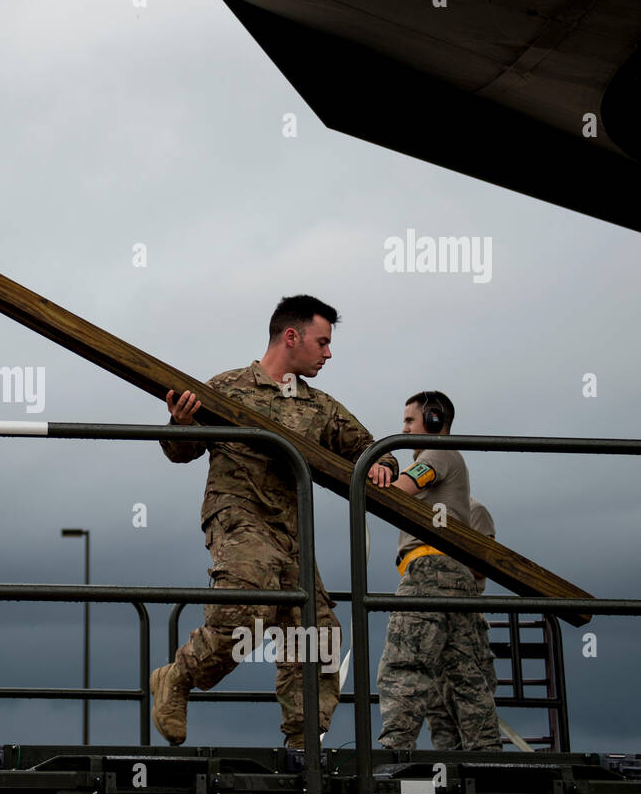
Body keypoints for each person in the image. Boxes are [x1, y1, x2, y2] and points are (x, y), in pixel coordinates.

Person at [151, 295, 399, 748]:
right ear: (291, 336)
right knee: (247, 607)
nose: (328, 353)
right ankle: (179, 677)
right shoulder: (225, 389)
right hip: (239, 517)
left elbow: (368, 448)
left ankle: (304, 742)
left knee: (318, 631)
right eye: (322, 342)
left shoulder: (319, 407)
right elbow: (180, 452)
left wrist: (382, 465)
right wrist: (179, 423)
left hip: (291, 534)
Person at [376, 392, 500, 750]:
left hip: (429, 570)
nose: (403, 429)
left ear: (432, 421)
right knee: (464, 674)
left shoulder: (436, 453)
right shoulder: (449, 461)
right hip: (455, 577)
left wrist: (374, 473)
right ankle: (487, 757)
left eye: (409, 421)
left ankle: (394, 752)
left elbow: (399, 490)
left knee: (404, 665)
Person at [425, 496, 499, 749]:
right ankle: (451, 769)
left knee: (471, 697)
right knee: (437, 706)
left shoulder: (474, 511)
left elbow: (485, 564)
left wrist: (440, 564)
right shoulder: (421, 509)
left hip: (464, 616)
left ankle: (485, 767)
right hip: (430, 620)